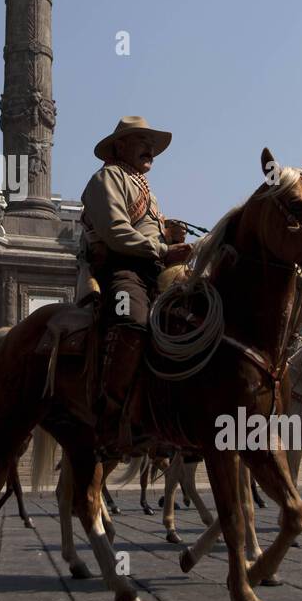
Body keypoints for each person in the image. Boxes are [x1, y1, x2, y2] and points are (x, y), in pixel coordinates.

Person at [80, 116, 194, 456]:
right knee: (132, 319)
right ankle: (111, 415)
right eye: (142, 141)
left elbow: (144, 231)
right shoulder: (106, 178)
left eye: (152, 144)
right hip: (121, 270)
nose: (150, 150)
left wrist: (169, 236)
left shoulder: (147, 191)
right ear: (120, 146)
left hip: (153, 272)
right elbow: (116, 232)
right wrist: (162, 248)